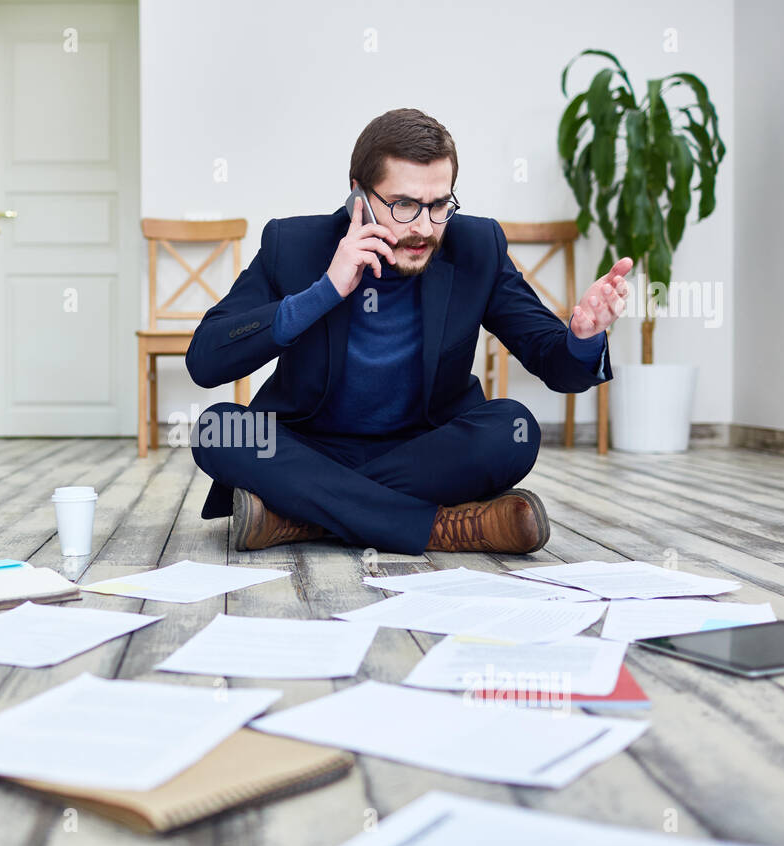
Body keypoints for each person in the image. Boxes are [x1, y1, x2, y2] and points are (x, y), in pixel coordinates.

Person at [186, 108, 630, 555]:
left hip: (425, 453)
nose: (423, 227)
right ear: (357, 194)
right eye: (403, 205)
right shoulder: (294, 244)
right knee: (217, 430)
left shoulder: (477, 246)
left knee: (514, 427)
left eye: (439, 205)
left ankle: (300, 517)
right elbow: (205, 360)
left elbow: (553, 361)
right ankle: (440, 527)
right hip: (311, 448)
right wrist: (324, 292)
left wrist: (583, 337)